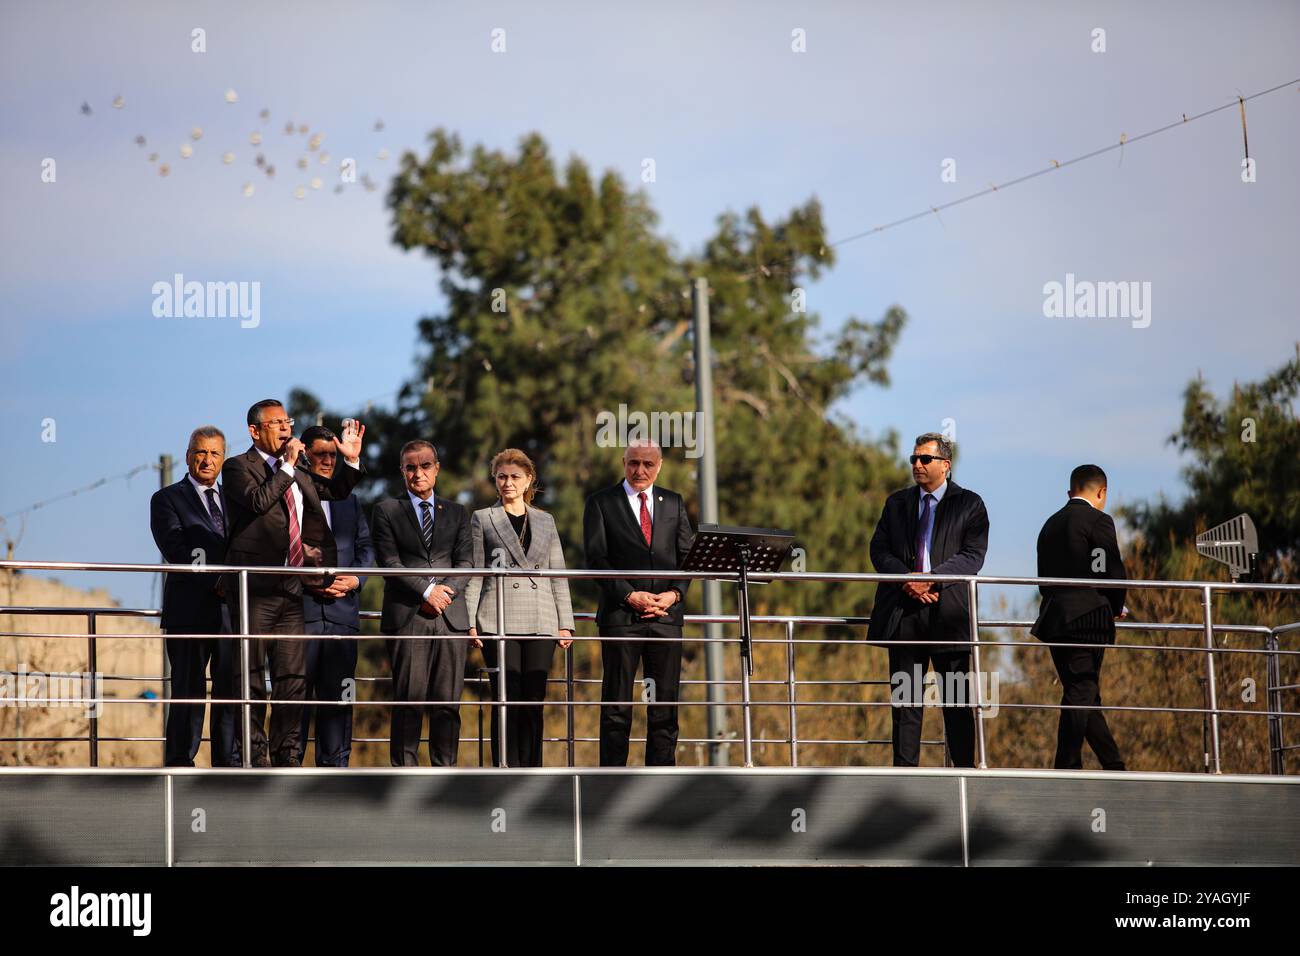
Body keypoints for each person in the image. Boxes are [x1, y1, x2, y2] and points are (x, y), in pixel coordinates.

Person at [221, 400, 365, 767]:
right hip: (254, 588)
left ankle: (285, 758)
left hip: (290, 588)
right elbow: (258, 502)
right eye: (277, 423)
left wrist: (349, 460)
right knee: (251, 680)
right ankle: (253, 759)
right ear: (255, 431)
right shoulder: (238, 467)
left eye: (288, 421)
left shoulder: (298, 468)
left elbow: (336, 491)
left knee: (292, 679)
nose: (286, 428)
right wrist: (286, 465)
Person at [868, 432, 989, 768]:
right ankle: (906, 777)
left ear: (946, 465)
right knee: (905, 705)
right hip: (904, 616)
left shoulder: (970, 504)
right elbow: (878, 550)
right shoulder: (896, 504)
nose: (917, 465)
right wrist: (907, 579)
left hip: (948, 614)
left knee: (956, 703)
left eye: (925, 459)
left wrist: (930, 578)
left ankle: (963, 775)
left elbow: (973, 556)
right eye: (914, 459)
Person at [583, 439, 694, 766]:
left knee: (665, 704)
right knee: (616, 704)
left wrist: (674, 595)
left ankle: (660, 775)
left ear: (659, 467)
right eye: (633, 463)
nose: (640, 470)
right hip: (620, 617)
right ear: (623, 463)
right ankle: (612, 776)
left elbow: (687, 557)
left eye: (647, 464)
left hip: (665, 617)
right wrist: (630, 594)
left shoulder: (673, 502)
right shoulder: (601, 503)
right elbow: (596, 559)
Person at [465, 449, 575, 767]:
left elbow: (558, 573)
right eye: (501, 476)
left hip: (542, 617)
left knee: (533, 698)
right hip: (497, 615)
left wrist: (565, 621)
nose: (507, 483)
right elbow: (476, 571)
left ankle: (532, 768)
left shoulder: (545, 520)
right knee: (506, 696)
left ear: (528, 479)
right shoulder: (482, 518)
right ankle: (506, 766)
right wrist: (470, 620)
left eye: (514, 476)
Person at [371, 440, 472, 766]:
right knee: (408, 700)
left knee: (447, 703)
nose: (418, 473)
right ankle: (405, 773)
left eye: (425, 465)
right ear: (402, 471)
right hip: (408, 616)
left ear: (437, 468)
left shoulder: (457, 512)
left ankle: (445, 772)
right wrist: (428, 592)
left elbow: (467, 564)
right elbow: (389, 563)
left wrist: (445, 593)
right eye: (410, 467)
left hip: (450, 618)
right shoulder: (386, 510)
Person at [149, 425, 240, 767]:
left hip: (231, 611)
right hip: (189, 610)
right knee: (187, 690)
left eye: (214, 453)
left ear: (223, 459)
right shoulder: (167, 499)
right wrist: (214, 579)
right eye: (200, 452)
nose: (207, 459)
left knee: (230, 690)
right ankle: (180, 763)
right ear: (188, 457)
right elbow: (175, 547)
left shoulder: (234, 500)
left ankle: (227, 762)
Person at [1031, 464, 1128, 771]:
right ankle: (1066, 765)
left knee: (1084, 693)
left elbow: (1043, 580)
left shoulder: (1050, 524)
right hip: (1088, 619)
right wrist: (1115, 606)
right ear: (1102, 493)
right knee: (1082, 690)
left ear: (1069, 492)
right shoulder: (1099, 520)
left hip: (1055, 618)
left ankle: (1114, 764)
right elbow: (1113, 573)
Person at [294, 425, 374, 767]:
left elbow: (366, 548)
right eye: (320, 454)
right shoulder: (292, 494)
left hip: (342, 617)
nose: (328, 460)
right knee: (294, 697)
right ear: (304, 456)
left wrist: (355, 578)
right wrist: (305, 581)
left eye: (332, 454)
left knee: (340, 698)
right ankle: (287, 768)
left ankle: (336, 771)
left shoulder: (350, 500)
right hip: (301, 614)